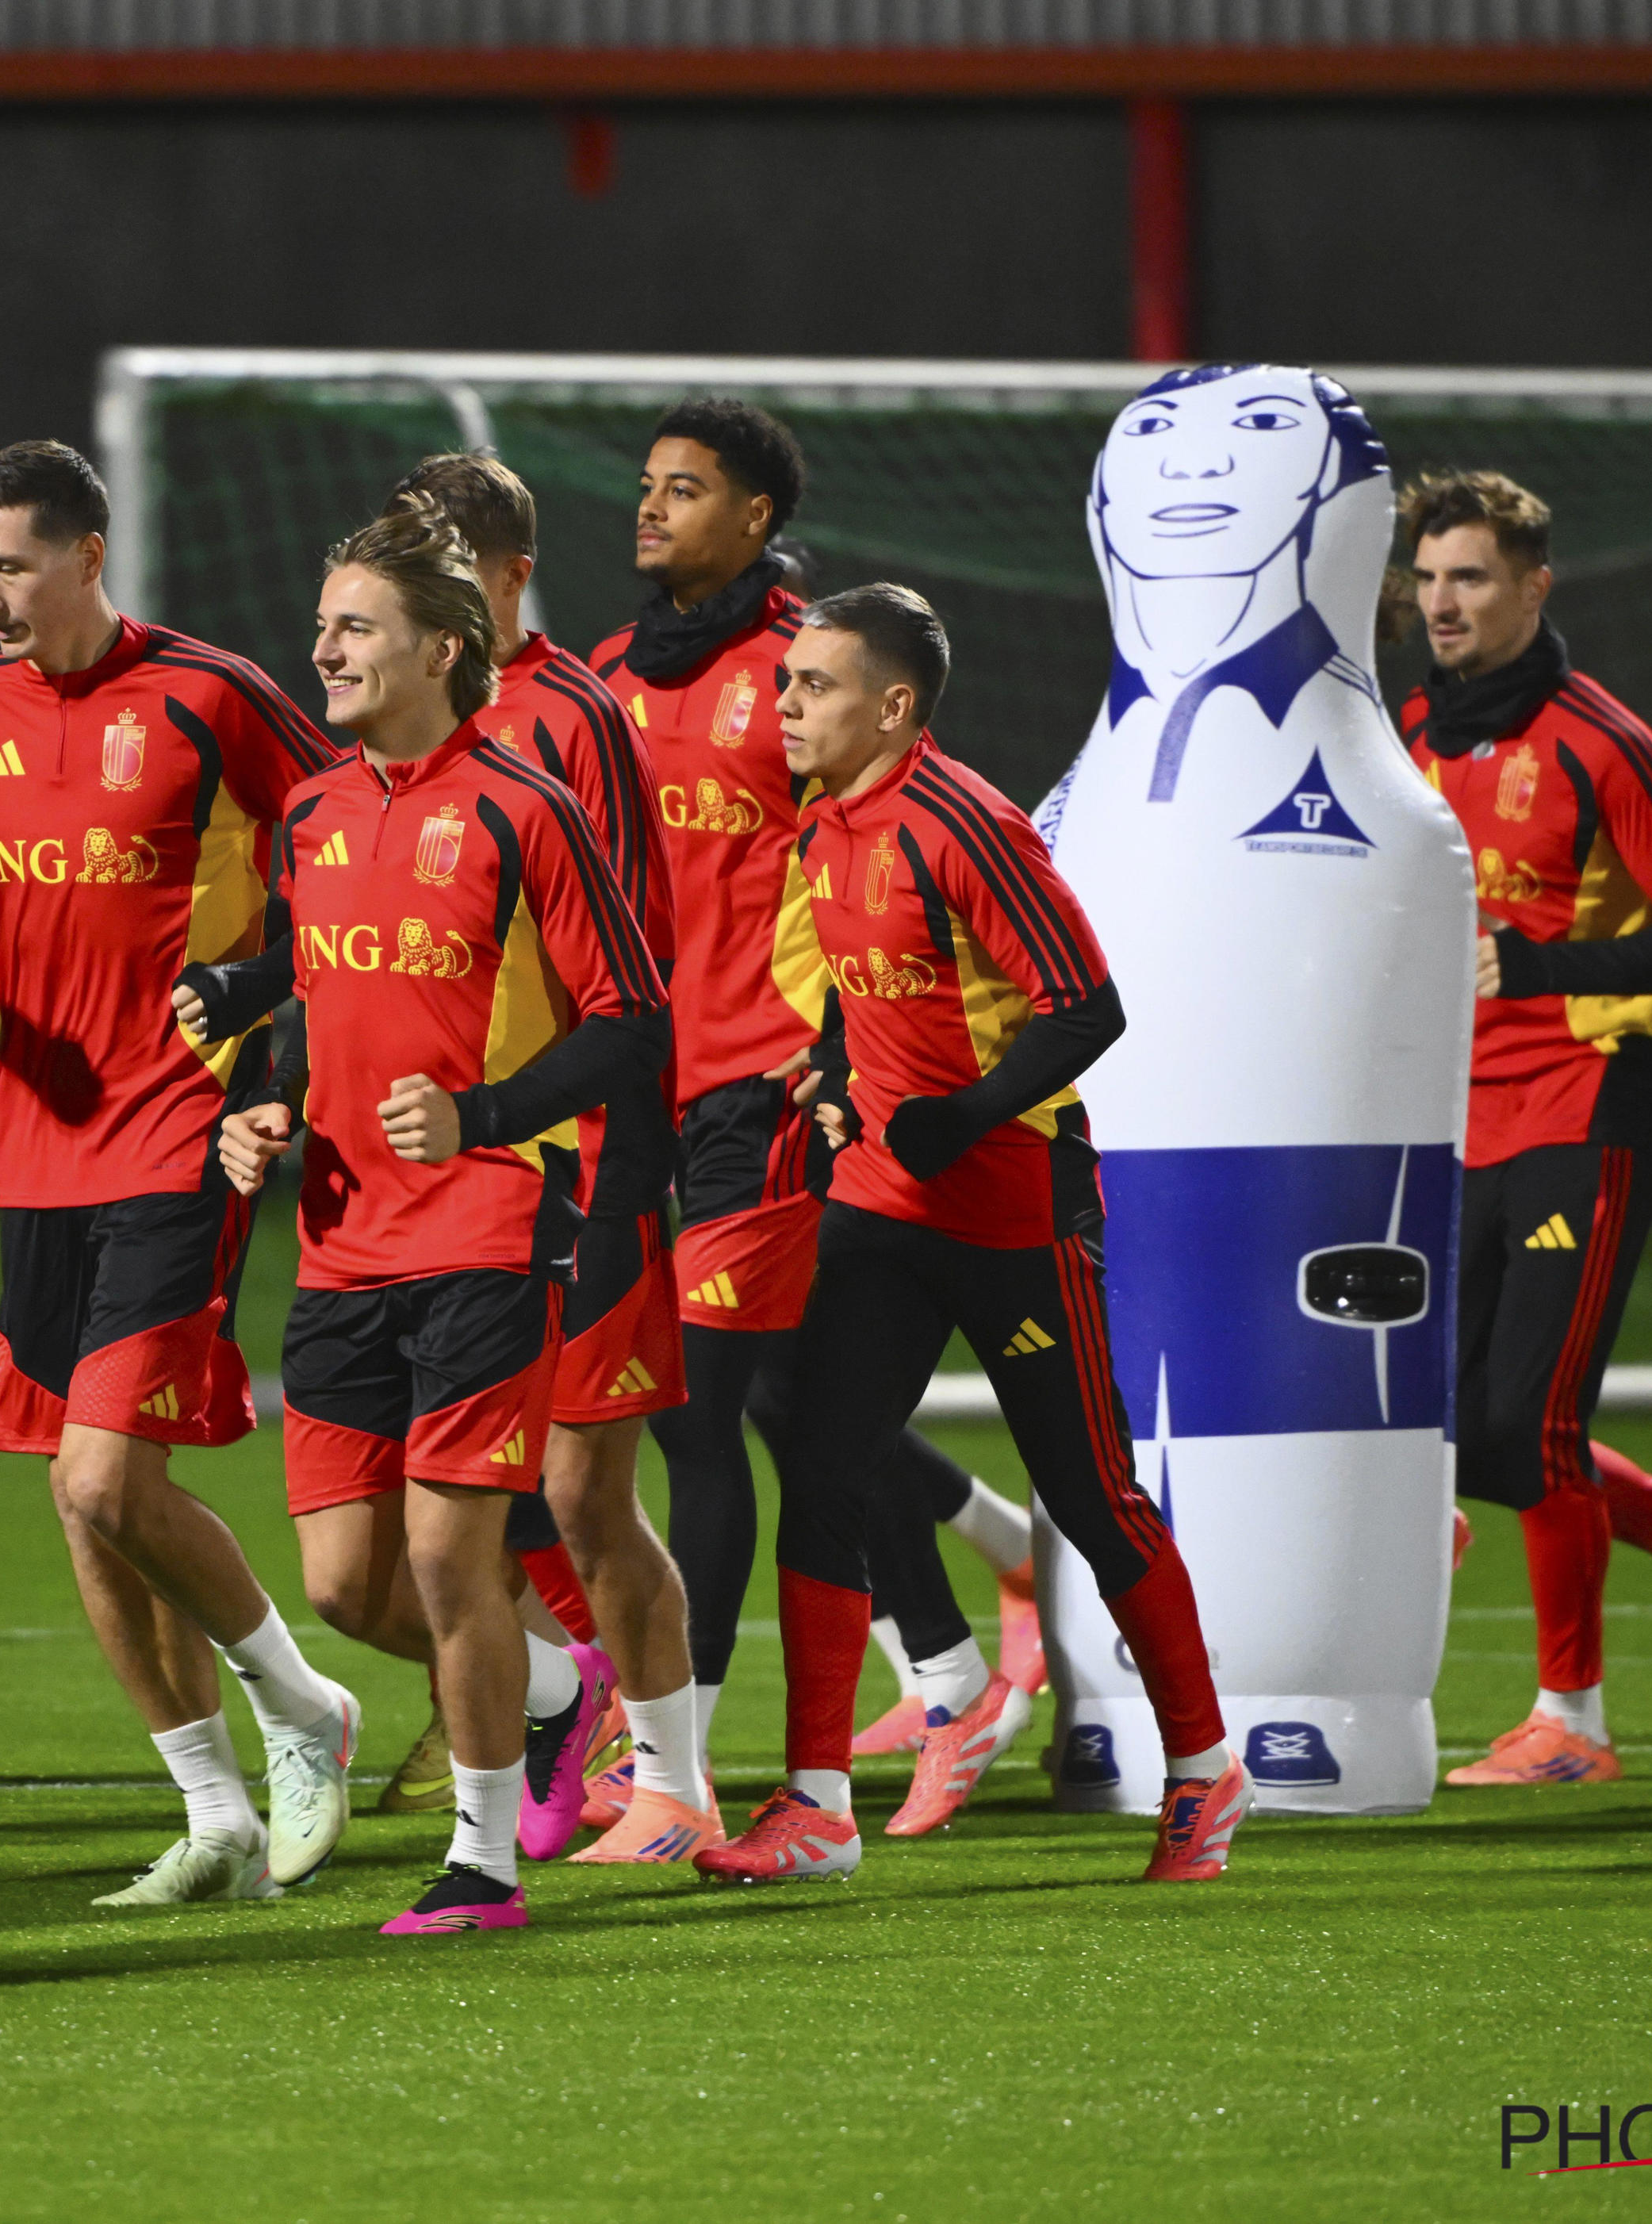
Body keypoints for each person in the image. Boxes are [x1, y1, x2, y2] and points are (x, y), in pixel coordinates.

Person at [0, 440, 361, 1904]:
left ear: (88, 555)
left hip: (179, 1126)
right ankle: (211, 1812)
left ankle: (301, 1703)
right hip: (36, 1150)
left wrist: (271, 986)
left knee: (105, 1473)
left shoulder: (208, 697)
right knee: (75, 1499)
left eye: (9, 567)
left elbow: (349, 836)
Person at [694, 585, 1241, 1884]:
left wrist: (967, 1115)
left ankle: (1207, 1773)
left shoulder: (969, 822)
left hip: (1013, 1211)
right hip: (883, 1204)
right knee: (823, 1474)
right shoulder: (824, 828)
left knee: (1091, 1501)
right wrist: (840, 1074)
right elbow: (858, 996)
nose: (784, 707)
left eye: (811, 687)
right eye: (784, 685)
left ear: (893, 705)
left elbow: (1087, 1006)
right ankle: (819, 1805)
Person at [180, 502, 669, 1933]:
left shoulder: (528, 809)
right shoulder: (318, 813)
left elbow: (631, 1021)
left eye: (353, 628)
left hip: (490, 1225)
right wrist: (266, 1097)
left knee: (456, 1555)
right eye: (324, 623)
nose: (321, 648)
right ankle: (567, 1689)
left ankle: (483, 1862)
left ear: (442, 648)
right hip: (339, 1240)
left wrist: (490, 1119)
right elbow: (321, 1003)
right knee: (343, 1586)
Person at [588, 398, 1041, 1821]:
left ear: (757, 519)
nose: (652, 507)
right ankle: (962, 1649)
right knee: (789, 1399)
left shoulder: (807, 674)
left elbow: (871, 845)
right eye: (647, 485)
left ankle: (675, 1774)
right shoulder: (607, 676)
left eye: (686, 488)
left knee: (701, 1412)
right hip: (645, 1091)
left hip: (769, 1087)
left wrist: (848, 1047)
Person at [1391, 470, 1652, 1787]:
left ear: (1534, 587)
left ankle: (1573, 1723)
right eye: (1428, 577)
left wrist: (1539, 968)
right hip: (1456, 1110)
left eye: (1471, 578)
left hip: (1588, 1099)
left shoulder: (1602, 740)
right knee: (1452, 1427)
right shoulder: (1410, 737)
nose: (1441, 602)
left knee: (1532, 1426)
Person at [380, 452, 713, 1862]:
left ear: (510, 578)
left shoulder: (573, 719)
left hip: (577, 1160)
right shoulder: (395, 726)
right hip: (437, 1173)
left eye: (450, 566)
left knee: (583, 1488)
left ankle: (675, 1782)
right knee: (448, 1489)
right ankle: (554, 1707)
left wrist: (630, 1162)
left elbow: (630, 969)